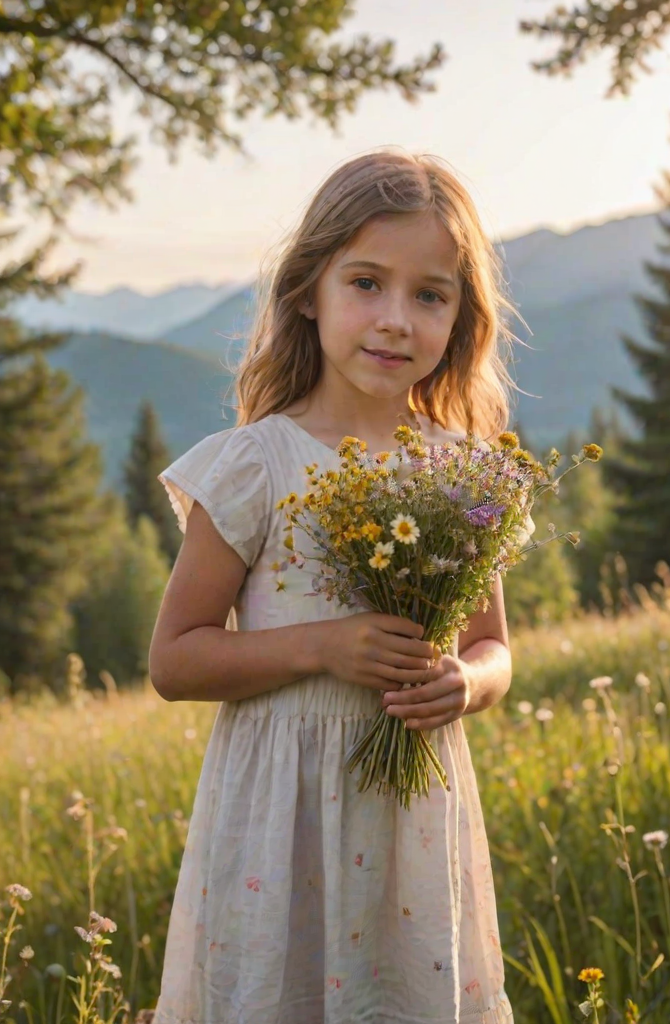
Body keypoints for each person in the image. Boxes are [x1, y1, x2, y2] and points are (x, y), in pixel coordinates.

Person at [148, 149, 528, 1024]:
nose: (396, 319)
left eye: (430, 294)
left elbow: (494, 647)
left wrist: (465, 683)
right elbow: (175, 660)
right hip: (277, 831)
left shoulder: (466, 474)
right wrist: (321, 644)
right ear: (307, 291)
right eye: (366, 282)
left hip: (411, 825)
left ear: (460, 317)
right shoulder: (254, 464)